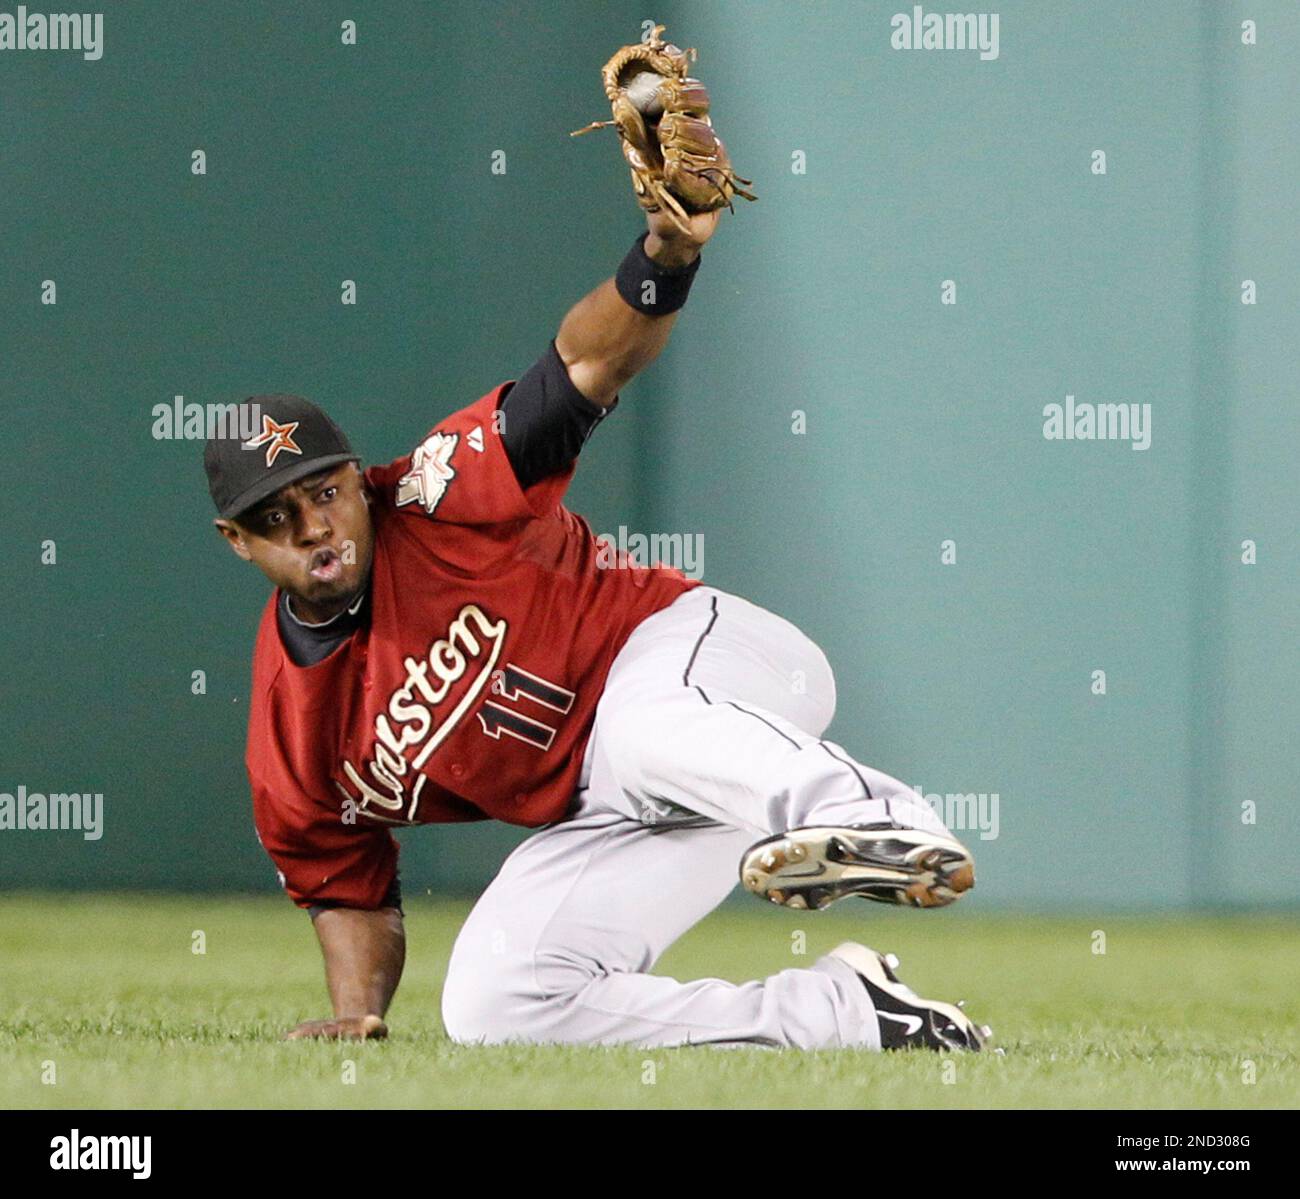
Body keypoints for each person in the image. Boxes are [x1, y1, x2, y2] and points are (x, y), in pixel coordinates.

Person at [204, 204, 990, 1052]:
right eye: (277, 516)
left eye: (324, 493)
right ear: (238, 542)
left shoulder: (438, 495)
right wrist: (362, 1011)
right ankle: (856, 1015)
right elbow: (345, 883)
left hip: (702, 658)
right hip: (628, 807)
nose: (314, 526)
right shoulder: (293, 730)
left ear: (360, 483)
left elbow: (586, 361)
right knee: (497, 1003)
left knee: (646, 727)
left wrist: (666, 253)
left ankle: (870, 815)